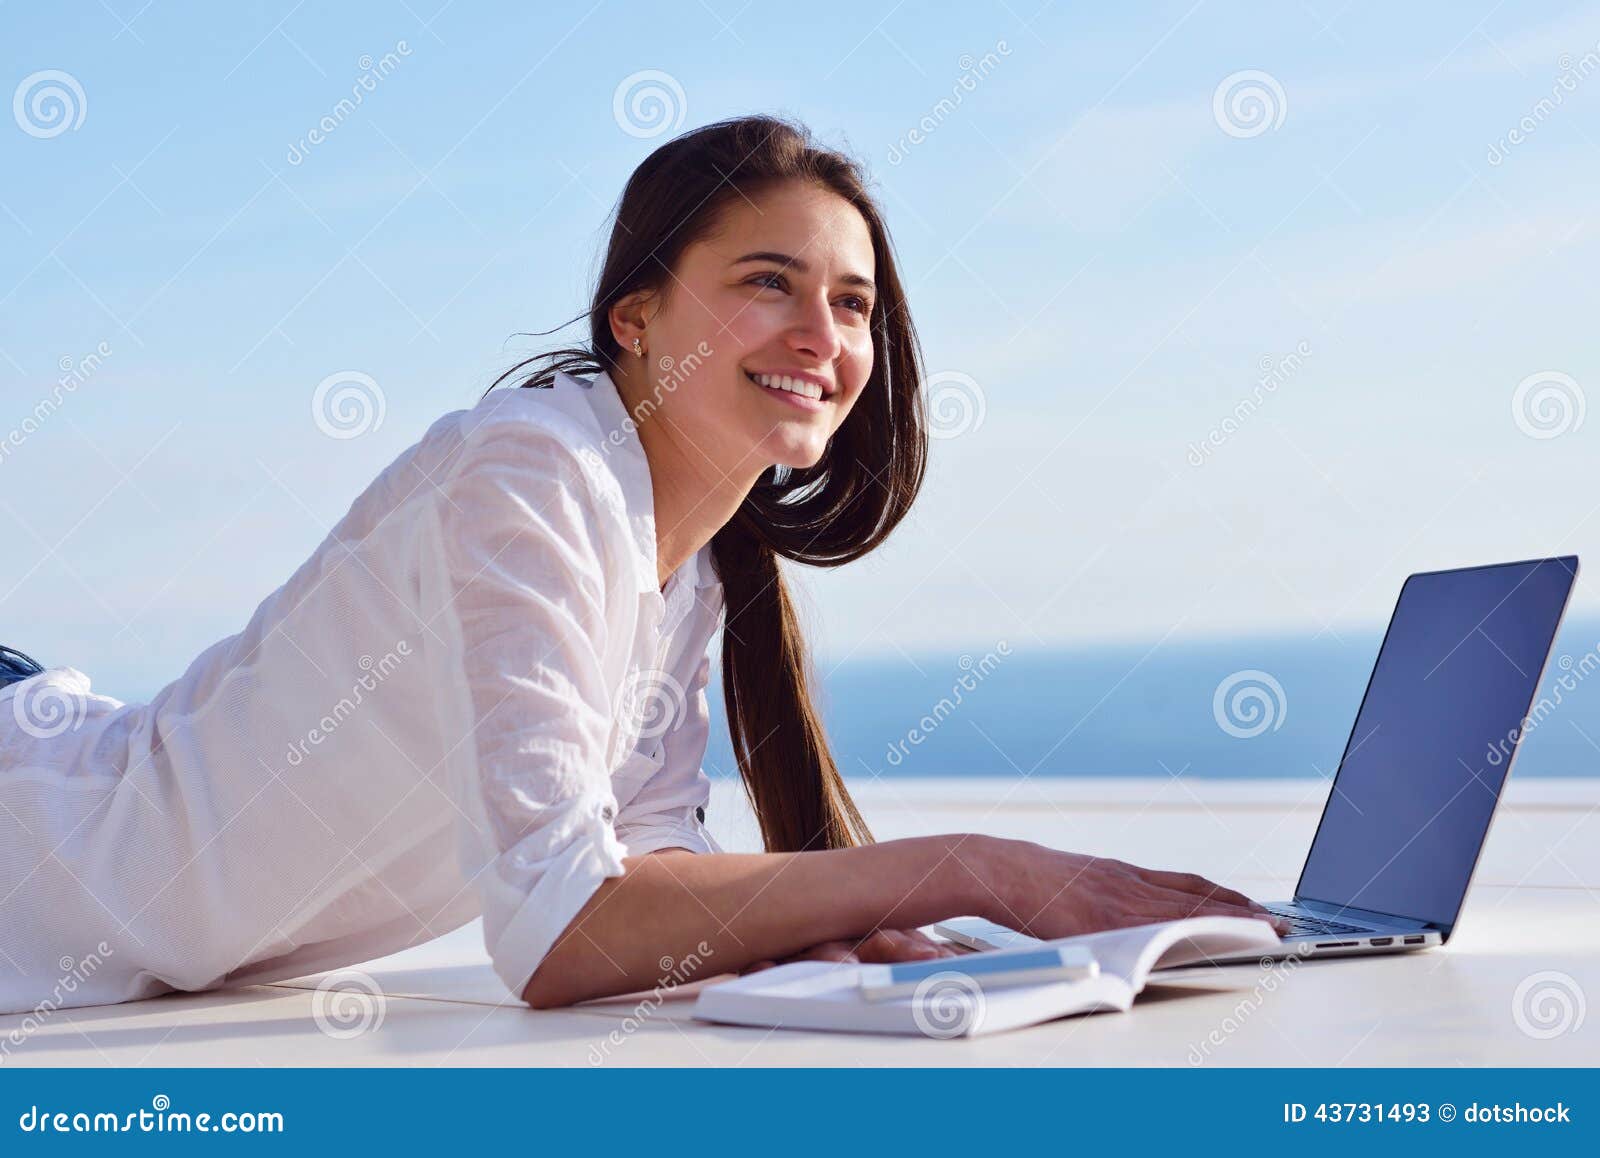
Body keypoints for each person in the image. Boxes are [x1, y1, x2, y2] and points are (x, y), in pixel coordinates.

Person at [0, 115, 1283, 1018]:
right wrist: (972, 866)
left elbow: (643, 868)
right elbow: (558, 934)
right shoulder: (527, 473)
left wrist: (825, 931)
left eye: (851, 302)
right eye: (768, 282)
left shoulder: (693, 572)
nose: (820, 335)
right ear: (636, 318)